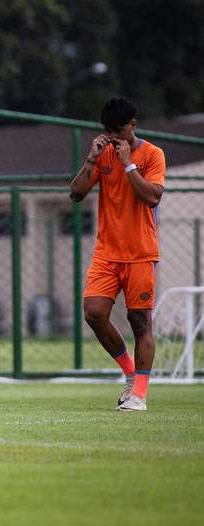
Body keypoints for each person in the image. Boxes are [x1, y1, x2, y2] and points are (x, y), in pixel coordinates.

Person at [70, 97, 166, 412]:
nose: (114, 137)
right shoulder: (104, 154)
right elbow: (76, 193)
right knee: (93, 312)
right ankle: (129, 373)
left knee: (140, 322)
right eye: (109, 132)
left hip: (140, 252)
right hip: (107, 253)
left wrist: (128, 164)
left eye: (120, 131)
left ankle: (139, 394)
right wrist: (90, 158)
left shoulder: (152, 155)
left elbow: (152, 197)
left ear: (133, 126)